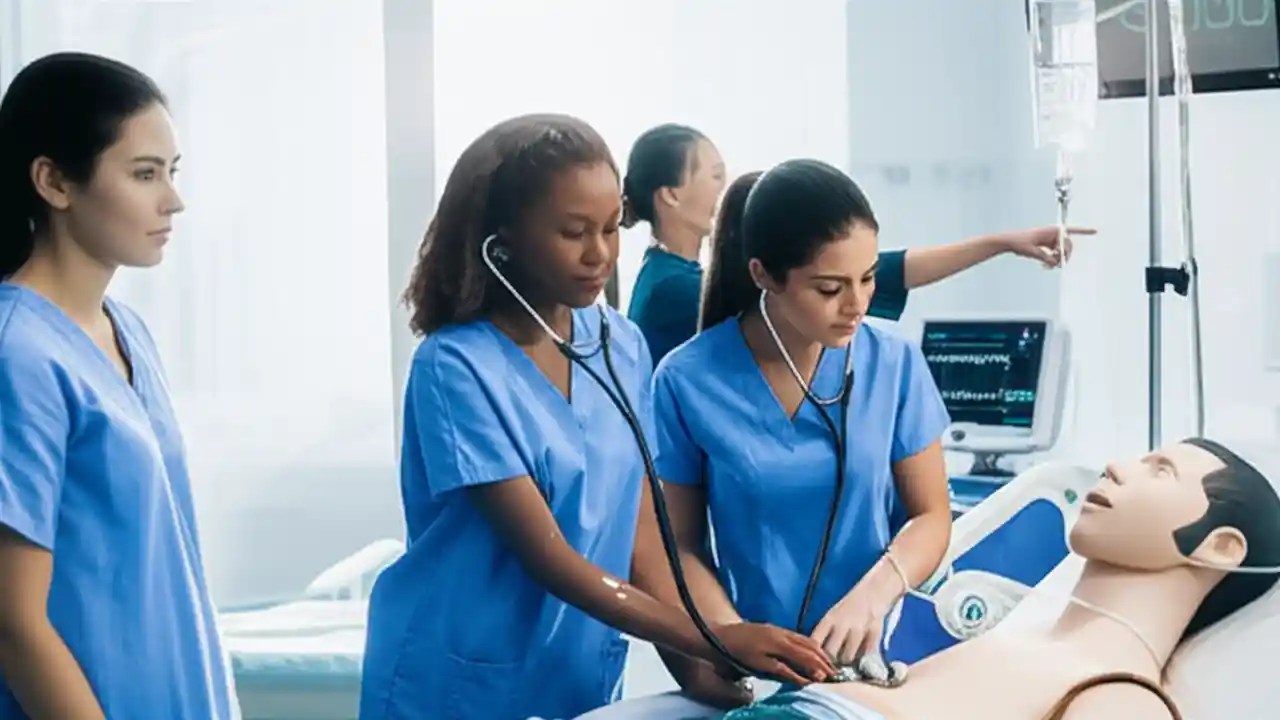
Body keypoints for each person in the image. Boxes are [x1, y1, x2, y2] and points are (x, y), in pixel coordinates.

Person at [357, 114, 835, 720]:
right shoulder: (454, 367)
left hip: (570, 679)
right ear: (503, 239)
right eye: (574, 232)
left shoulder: (620, 344)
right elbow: (549, 557)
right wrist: (714, 637)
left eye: (611, 229)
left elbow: (644, 541)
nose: (600, 254)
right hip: (455, 680)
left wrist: (696, 666)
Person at [644, 159, 953, 710]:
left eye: (868, 278)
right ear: (764, 275)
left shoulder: (895, 362)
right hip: (758, 670)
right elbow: (681, 548)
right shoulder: (687, 380)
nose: (857, 305)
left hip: (884, 657)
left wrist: (873, 598)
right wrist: (732, 636)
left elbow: (932, 516)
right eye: (830, 288)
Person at [0, 53, 236, 719]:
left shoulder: (125, 329)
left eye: (172, 172)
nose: (173, 199)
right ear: (53, 181)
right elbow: (13, 624)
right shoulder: (17, 353)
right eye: (144, 174)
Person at [723, 437, 1280, 719]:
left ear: (1222, 548)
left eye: (1161, 472)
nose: (1117, 467)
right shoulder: (1029, 641)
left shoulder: (1123, 702)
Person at [620, 124, 1095, 364]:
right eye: (715, 176)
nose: (854, 303)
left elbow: (882, 270)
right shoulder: (674, 296)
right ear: (671, 195)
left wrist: (1001, 242)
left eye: (863, 281)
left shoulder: (891, 371)